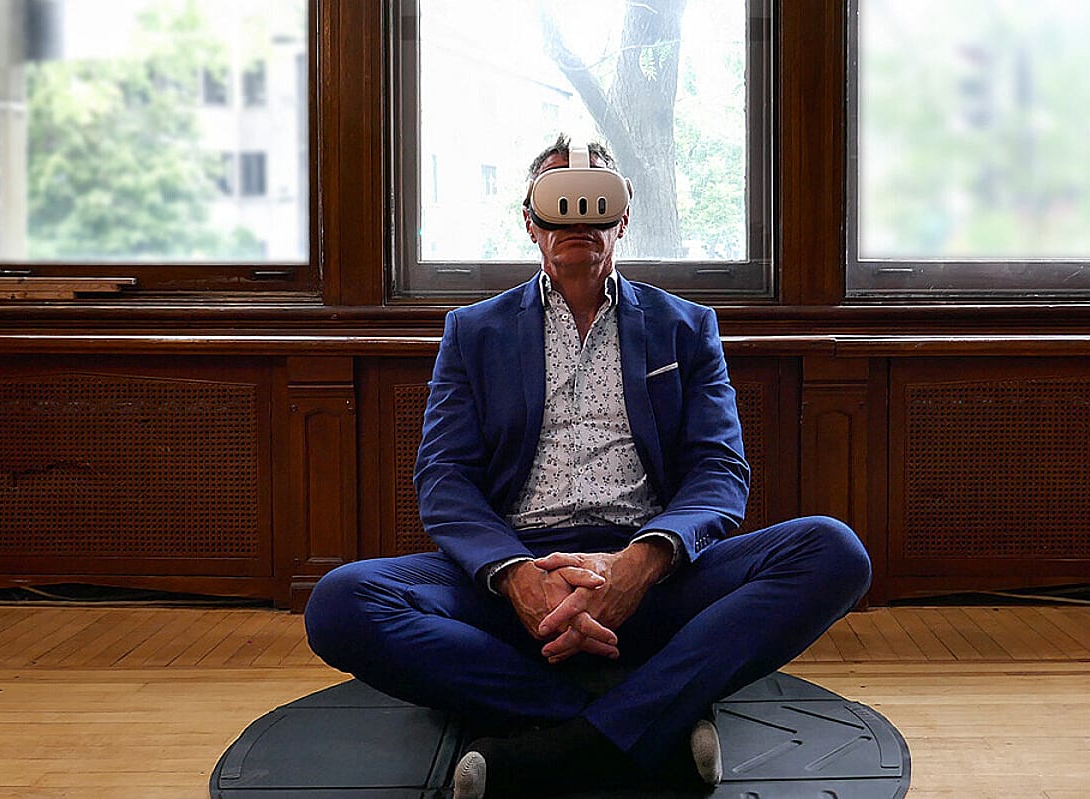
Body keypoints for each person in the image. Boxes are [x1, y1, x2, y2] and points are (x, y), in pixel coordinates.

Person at [304, 135, 872, 798]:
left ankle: (570, 742)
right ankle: (648, 715)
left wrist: (636, 567)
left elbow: (719, 472)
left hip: (653, 573)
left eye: (596, 206)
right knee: (340, 603)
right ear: (530, 224)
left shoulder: (685, 327)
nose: (577, 223)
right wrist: (516, 576)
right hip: (514, 577)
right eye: (557, 207)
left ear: (621, 218)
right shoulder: (474, 331)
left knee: (834, 551)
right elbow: (444, 478)